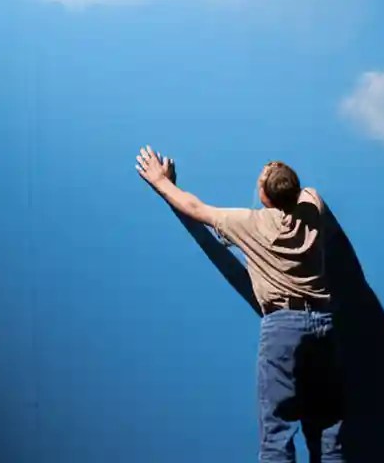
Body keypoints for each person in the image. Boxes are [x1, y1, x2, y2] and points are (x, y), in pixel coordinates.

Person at [135, 146, 344, 462]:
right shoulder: (312, 206)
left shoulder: (248, 223)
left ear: (265, 197)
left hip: (283, 327)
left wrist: (162, 183)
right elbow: (297, 192)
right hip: (324, 326)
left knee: (277, 433)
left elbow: (194, 207)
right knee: (330, 432)